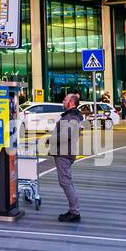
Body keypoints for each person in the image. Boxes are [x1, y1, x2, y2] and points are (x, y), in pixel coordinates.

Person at [50, 92, 84, 223]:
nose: (63, 102)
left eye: (65, 100)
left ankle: (74, 212)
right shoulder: (72, 117)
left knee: (66, 182)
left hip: (64, 153)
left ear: (71, 103)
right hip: (65, 152)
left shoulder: (70, 118)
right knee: (66, 181)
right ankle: (73, 210)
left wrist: (51, 139)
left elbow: (64, 136)